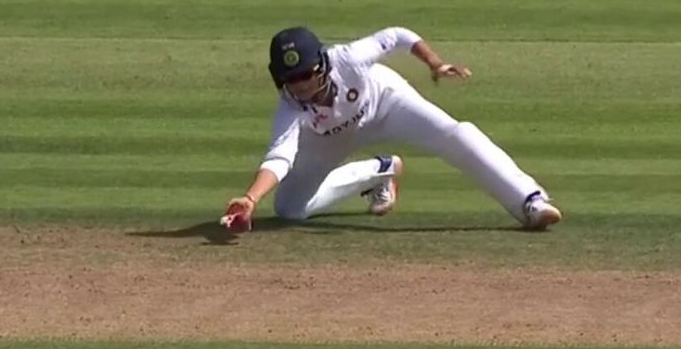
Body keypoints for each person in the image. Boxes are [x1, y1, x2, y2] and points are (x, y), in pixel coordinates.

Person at [219, 25, 561, 234]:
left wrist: (434, 63)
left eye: (306, 74)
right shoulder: (290, 108)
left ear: (322, 65)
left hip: (385, 104)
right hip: (329, 137)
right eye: (291, 79)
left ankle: (530, 201)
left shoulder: (347, 58)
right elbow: (279, 157)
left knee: (454, 133)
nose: (301, 85)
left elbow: (396, 36)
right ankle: (380, 171)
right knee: (289, 209)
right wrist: (250, 199)